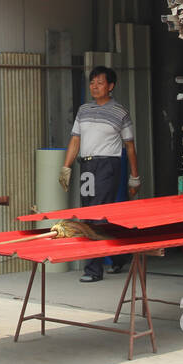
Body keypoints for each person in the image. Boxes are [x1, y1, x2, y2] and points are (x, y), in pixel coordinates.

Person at [59, 65, 141, 283]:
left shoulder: (119, 112)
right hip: (86, 166)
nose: (95, 86)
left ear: (111, 86)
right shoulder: (83, 110)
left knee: (96, 214)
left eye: (100, 83)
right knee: (87, 212)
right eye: (92, 82)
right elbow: (75, 140)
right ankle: (118, 257)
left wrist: (135, 176)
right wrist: (66, 167)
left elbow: (130, 146)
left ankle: (94, 270)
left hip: (108, 165)